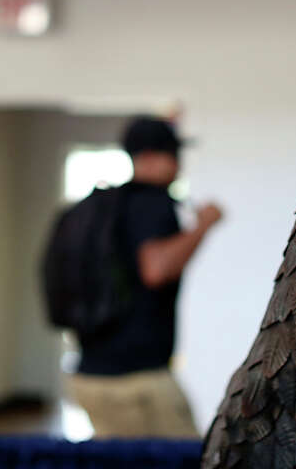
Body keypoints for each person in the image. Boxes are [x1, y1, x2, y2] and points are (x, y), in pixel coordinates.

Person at [67, 116, 223, 439]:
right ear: (150, 157)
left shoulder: (109, 206)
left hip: (89, 377)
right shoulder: (152, 202)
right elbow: (156, 269)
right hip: (137, 383)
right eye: (173, 155)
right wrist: (204, 225)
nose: (179, 165)